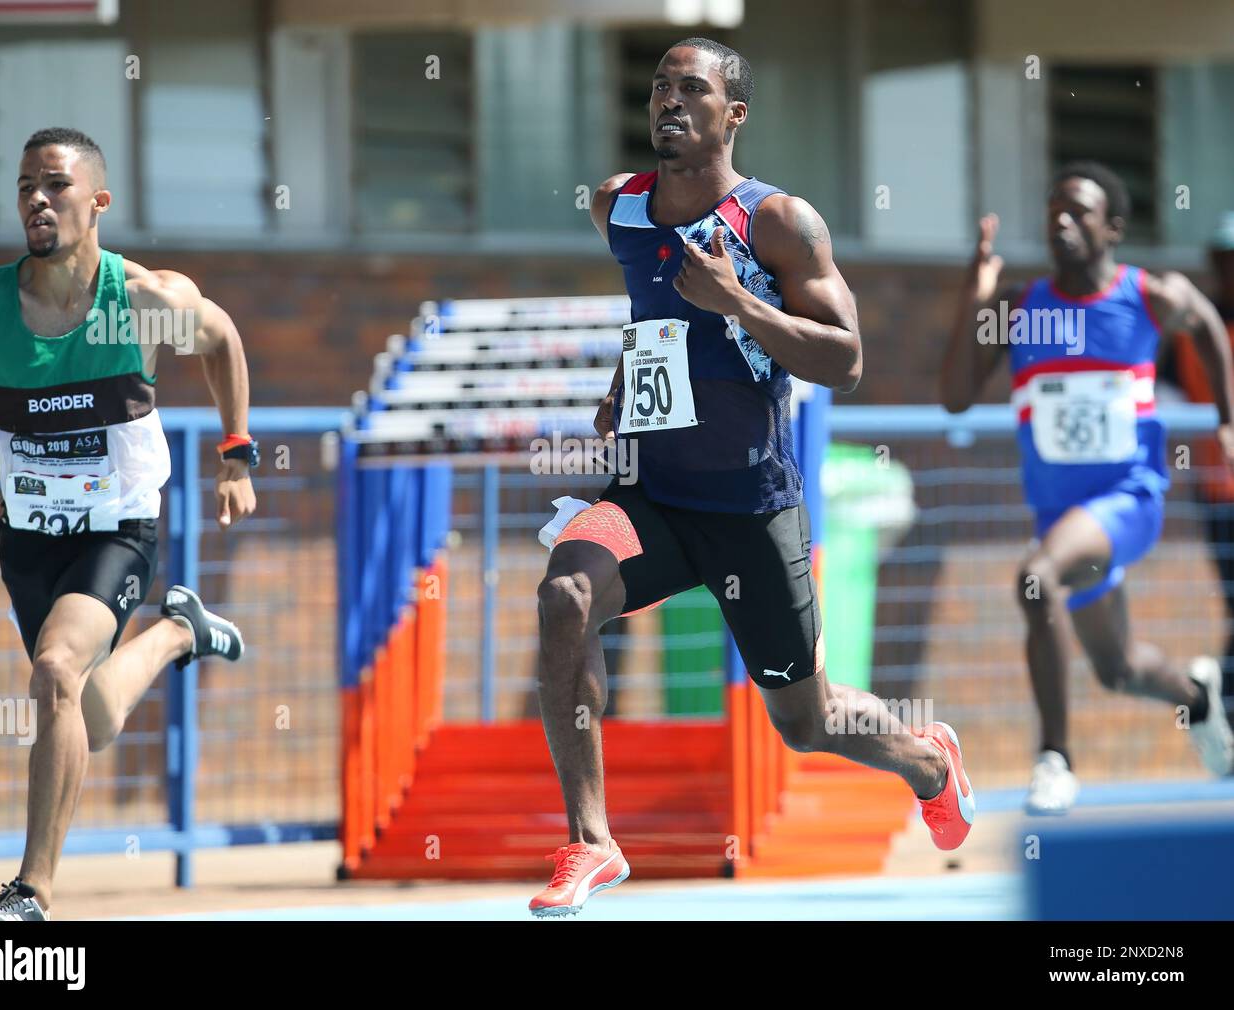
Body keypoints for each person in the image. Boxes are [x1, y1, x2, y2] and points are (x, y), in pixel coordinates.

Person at [529, 38, 974, 918]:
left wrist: (739, 302)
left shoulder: (778, 222)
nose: (669, 100)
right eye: (660, 86)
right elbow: (653, 314)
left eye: (692, 88)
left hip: (749, 508)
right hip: (653, 497)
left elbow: (846, 360)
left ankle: (928, 762)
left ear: (732, 114)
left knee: (804, 723)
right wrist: (628, 381)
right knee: (565, 598)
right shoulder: (617, 207)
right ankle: (590, 841)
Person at [0, 127, 260, 919]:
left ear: (98, 202)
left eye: (55, 186)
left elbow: (221, 339)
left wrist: (238, 453)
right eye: (24, 188)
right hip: (30, 537)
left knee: (53, 670)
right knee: (86, 712)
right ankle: (179, 633)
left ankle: (31, 892)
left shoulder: (143, 302)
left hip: (119, 528)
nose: (36, 202)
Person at [940, 163, 1234, 815]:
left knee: (1035, 579)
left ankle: (1055, 759)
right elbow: (956, 398)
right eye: (1052, 211)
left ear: (1114, 228)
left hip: (1130, 500)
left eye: (1077, 211)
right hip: (1064, 518)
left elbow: (1210, 325)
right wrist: (975, 296)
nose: (1061, 221)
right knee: (1118, 667)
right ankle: (1199, 698)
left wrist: (1227, 419)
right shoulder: (1020, 309)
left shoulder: (1148, 296)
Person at [1165, 212, 1234, 721]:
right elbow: (1165, 391)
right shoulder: (1193, 332)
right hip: (1218, 493)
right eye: (1222, 262)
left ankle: (1218, 706)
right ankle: (1219, 711)